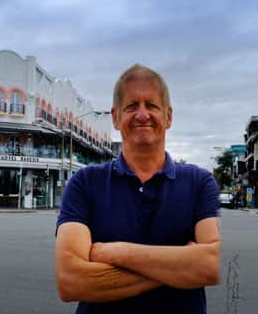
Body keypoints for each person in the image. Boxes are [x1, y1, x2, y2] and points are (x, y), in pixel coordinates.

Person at [54, 64, 220, 314]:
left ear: (168, 116)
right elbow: (70, 281)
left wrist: (117, 253)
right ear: (115, 117)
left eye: (151, 105)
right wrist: (182, 265)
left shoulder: (200, 182)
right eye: (131, 106)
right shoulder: (84, 182)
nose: (142, 115)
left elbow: (212, 265)